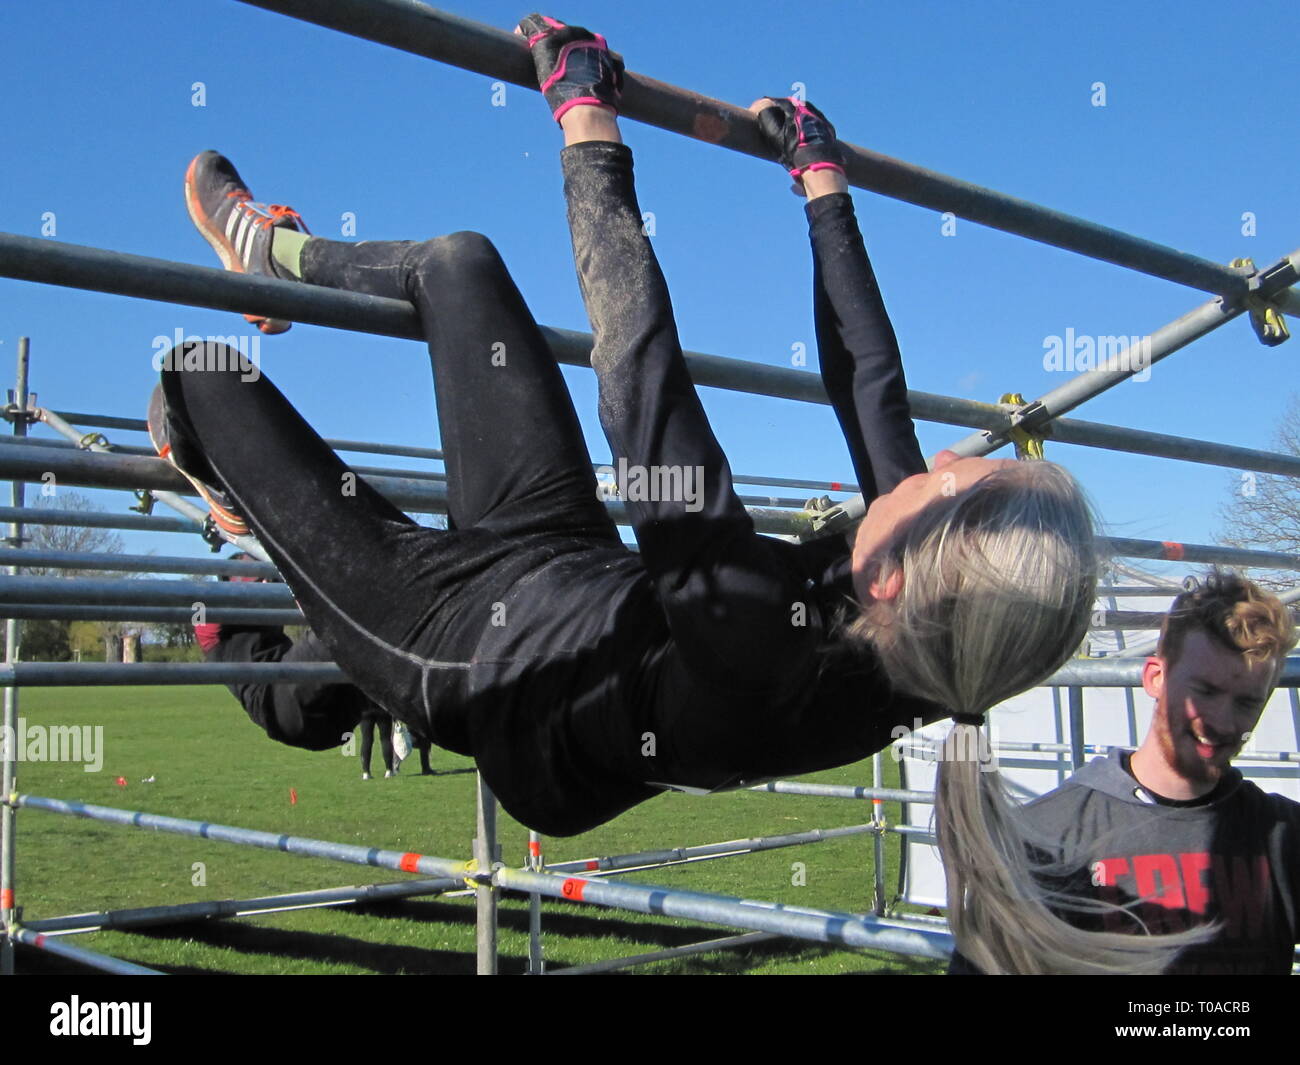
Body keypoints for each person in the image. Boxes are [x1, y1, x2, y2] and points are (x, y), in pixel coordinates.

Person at [145, 14, 1172, 973]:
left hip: (475, 655)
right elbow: (868, 380)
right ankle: (268, 252)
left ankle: (214, 482)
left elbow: (641, 389)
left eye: (955, 480)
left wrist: (586, 126)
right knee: (460, 265)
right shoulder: (930, 615)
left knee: (197, 368)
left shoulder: (759, 644)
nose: (941, 465)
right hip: (560, 560)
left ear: (902, 576)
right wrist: (821, 180)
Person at [951, 569, 1300, 974]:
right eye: (1205, 691)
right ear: (1155, 677)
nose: (1222, 721)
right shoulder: (1047, 838)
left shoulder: (1281, 834)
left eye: (1246, 702)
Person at [189, 552, 435, 777]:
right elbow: (199, 607)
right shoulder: (210, 630)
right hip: (277, 703)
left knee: (367, 636)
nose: (265, 578)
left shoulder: (267, 605)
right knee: (343, 621)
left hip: (337, 722)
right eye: (254, 571)